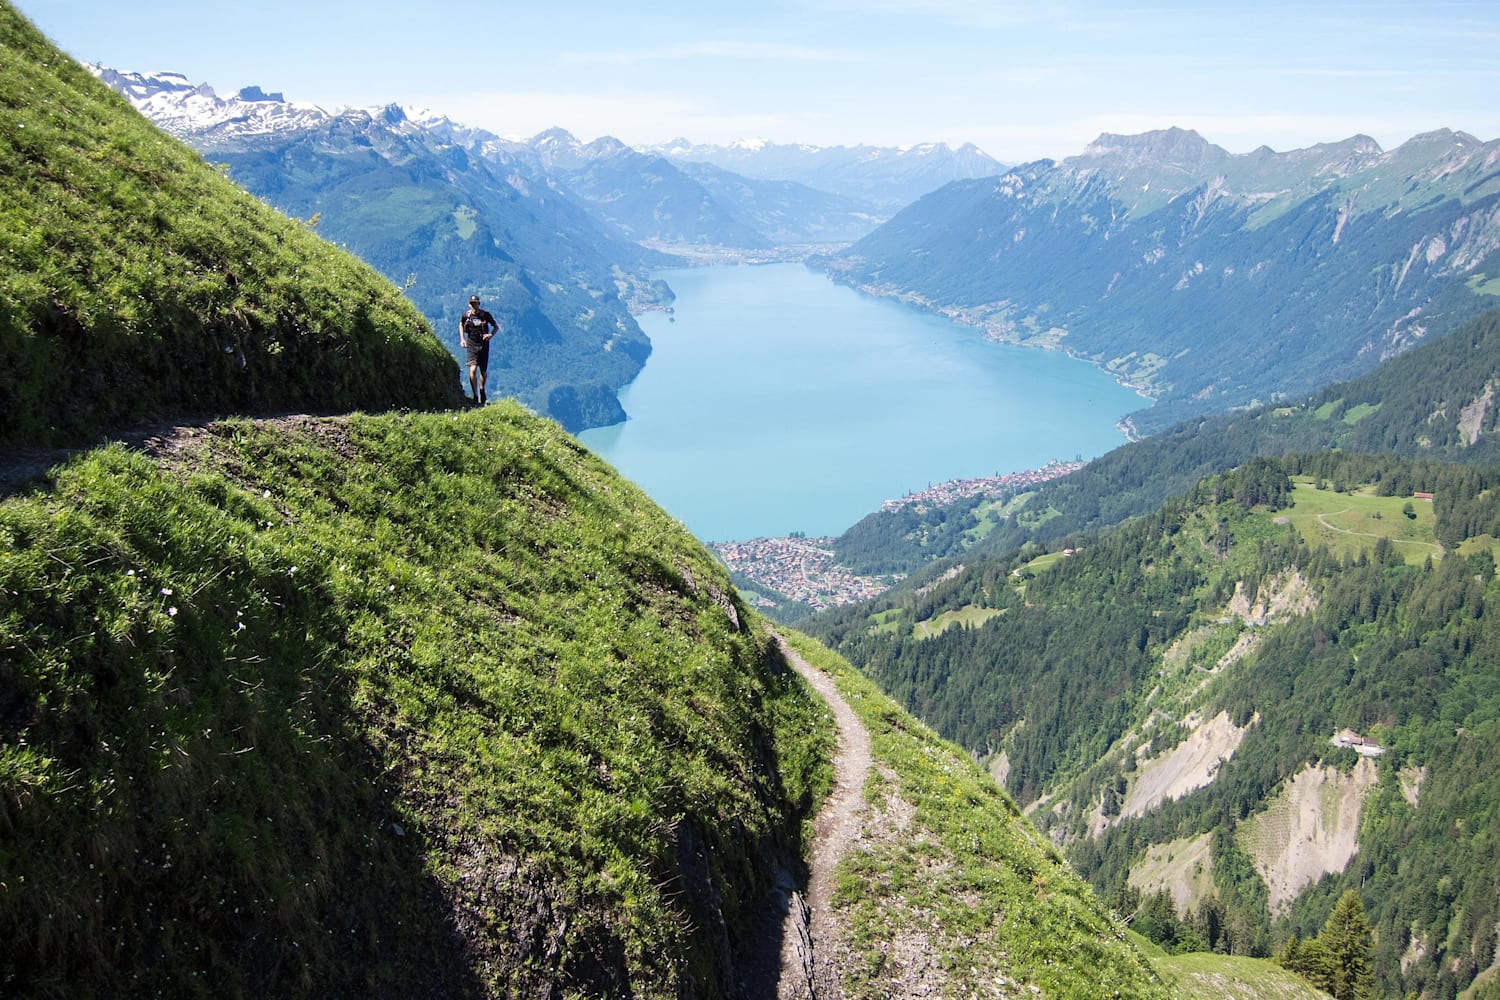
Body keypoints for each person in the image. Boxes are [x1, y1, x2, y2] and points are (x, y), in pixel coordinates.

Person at [458, 295, 499, 405]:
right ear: (469, 304)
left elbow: (496, 326)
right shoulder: (466, 316)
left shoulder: (485, 315)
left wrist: (490, 335)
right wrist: (462, 339)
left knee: (483, 371)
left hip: (484, 345)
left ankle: (482, 389)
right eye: (472, 303)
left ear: (479, 303)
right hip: (472, 344)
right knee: (472, 369)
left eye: (475, 303)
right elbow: (461, 324)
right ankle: (475, 395)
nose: (474, 305)